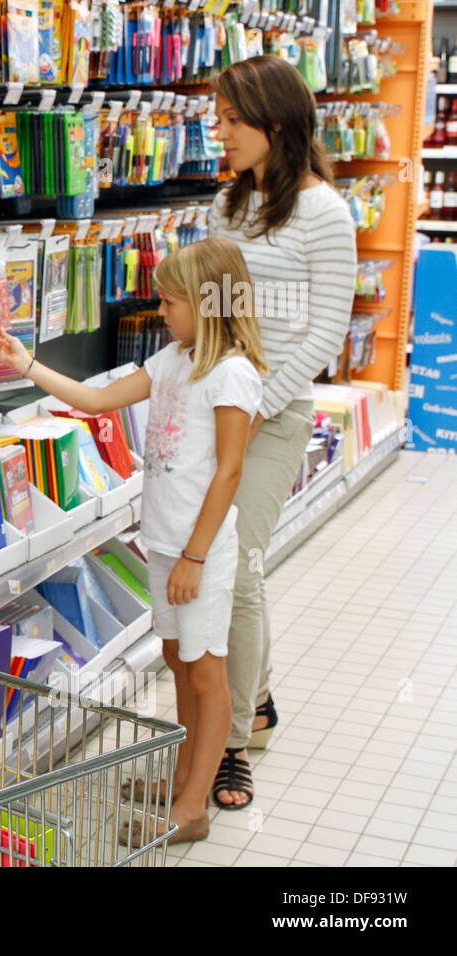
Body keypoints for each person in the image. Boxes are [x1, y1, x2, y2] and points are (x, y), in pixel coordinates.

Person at [0, 238, 266, 845]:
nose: (161, 311)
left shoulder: (233, 375)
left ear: (208, 303)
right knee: (179, 663)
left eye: (170, 301)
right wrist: (23, 363)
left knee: (205, 673)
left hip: (201, 552)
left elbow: (229, 472)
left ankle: (191, 807)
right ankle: (182, 781)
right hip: (166, 545)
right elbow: (94, 401)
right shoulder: (173, 361)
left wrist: (194, 557)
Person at [207, 55, 358, 810]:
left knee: (237, 566)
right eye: (220, 116)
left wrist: (258, 403)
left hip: (271, 416)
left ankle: (232, 745)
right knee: (217, 565)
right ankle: (257, 698)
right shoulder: (227, 209)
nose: (219, 130)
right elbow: (217, 312)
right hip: (216, 408)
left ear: (276, 121)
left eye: (232, 118)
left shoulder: (326, 213)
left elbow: (325, 329)